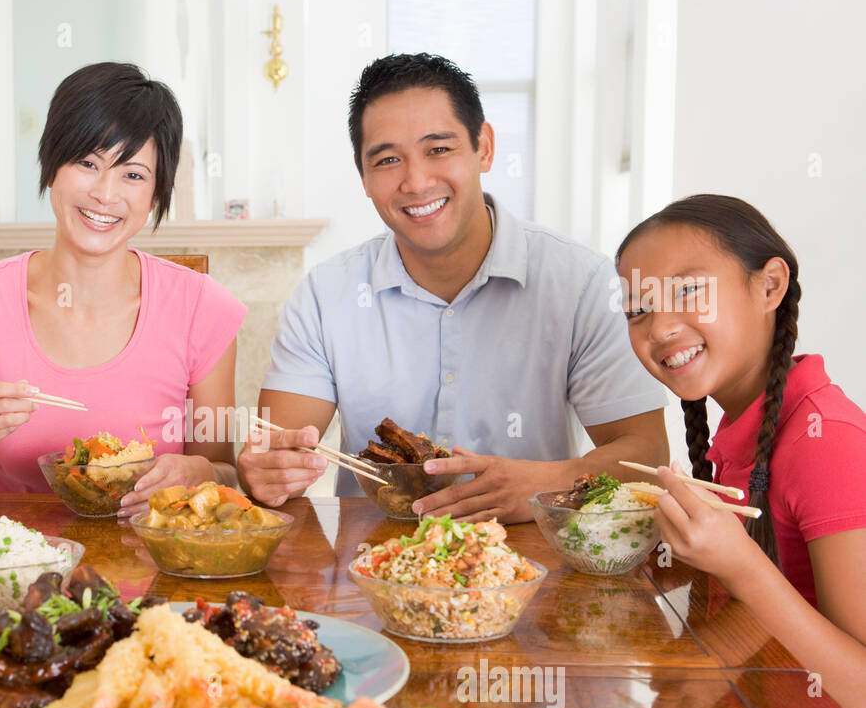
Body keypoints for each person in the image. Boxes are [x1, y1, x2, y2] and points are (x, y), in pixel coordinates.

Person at [238, 53, 668, 520]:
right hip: (369, 565)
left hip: (532, 565)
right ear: (363, 175)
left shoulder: (581, 283)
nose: (417, 181)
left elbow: (645, 457)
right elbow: (274, 451)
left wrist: (543, 483)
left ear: (483, 146)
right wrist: (267, 470)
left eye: (438, 149)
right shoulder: (326, 294)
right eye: (387, 160)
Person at [0, 62, 245, 516]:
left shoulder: (204, 309)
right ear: (51, 166)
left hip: (156, 573)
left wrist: (203, 473)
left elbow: (225, 474)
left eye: (133, 174)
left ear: (156, 194)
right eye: (87, 163)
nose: (105, 194)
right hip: (16, 572)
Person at [617, 194, 866, 708]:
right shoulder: (744, 428)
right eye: (638, 309)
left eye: (689, 290)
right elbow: (783, 586)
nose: (660, 328)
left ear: (769, 285)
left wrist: (742, 566)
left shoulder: (829, 443)